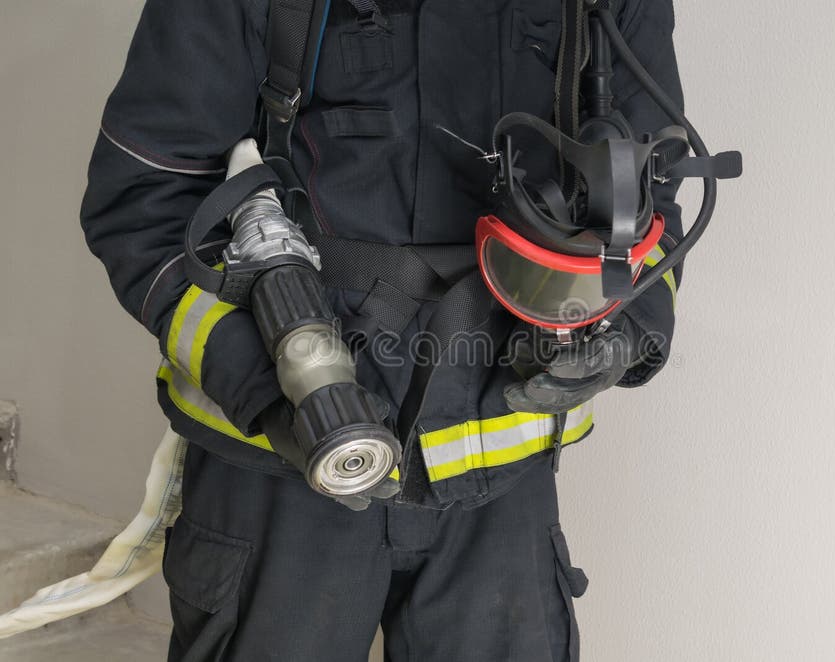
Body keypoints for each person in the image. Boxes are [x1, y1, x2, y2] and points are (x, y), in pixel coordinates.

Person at [80, 0, 686, 659]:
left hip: (505, 484)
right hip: (280, 475)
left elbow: (648, 196)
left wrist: (625, 327)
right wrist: (271, 385)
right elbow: (147, 206)